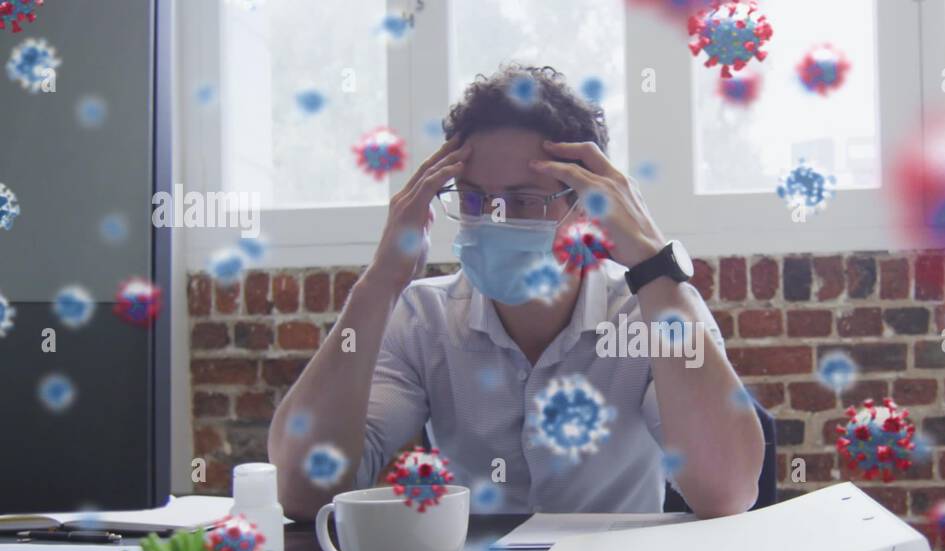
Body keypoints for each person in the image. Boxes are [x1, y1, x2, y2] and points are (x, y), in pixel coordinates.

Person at [268, 65, 763, 520]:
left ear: (586, 208)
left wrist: (653, 265)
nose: (495, 217)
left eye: (524, 199)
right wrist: (380, 282)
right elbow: (304, 490)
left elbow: (726, 493)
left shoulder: (651, 313)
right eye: (475, 198)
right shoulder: (422, 318)